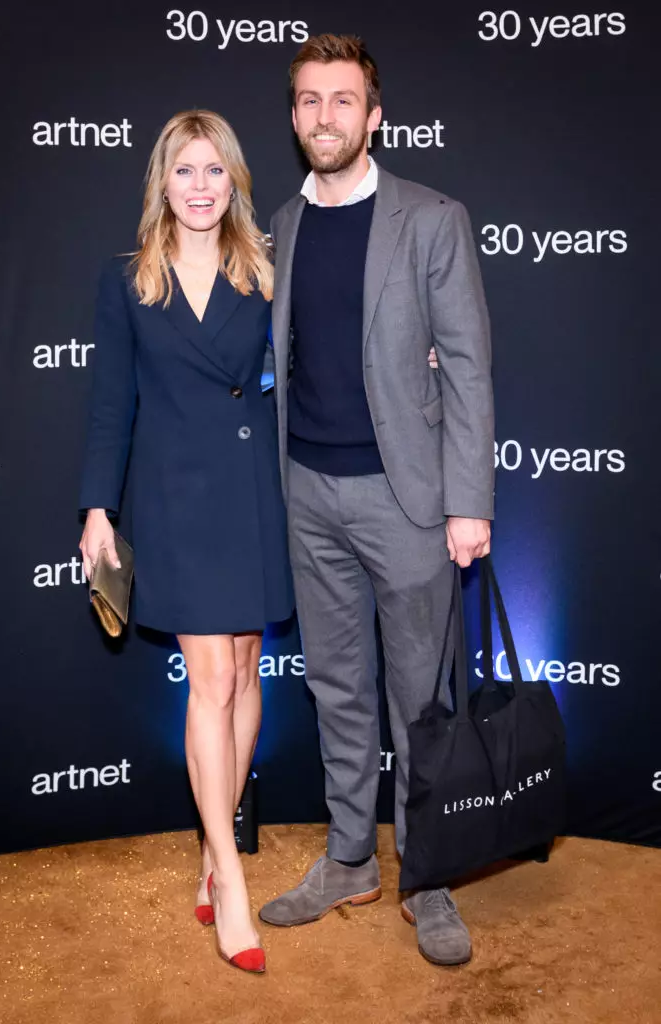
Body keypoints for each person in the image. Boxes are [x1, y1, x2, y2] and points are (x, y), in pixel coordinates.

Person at [259, 35, 494, 967]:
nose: (325, 117)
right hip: (308, 493)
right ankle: (350, 856)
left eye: (342, 100)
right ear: (294, 117)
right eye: (309, 101)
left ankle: (427, 873)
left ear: (374, 114)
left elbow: (468, 367)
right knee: (336, 689)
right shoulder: (280, 221)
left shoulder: (431, 219)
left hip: (409, 502)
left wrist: (465, 503)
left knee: (417, 701)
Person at [78, 110, 294, 974]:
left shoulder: (265, 269)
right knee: (209, 676)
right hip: (174, 499)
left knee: (245, 670)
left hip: (253, 495)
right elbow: (108, 405)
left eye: (214, 171)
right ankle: (230, 875)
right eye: (184, 172)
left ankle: (212, 848)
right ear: (160, 184)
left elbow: (311, 368)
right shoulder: (128, 279)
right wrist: (98, 508)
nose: (200, 187)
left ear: (233, 180)